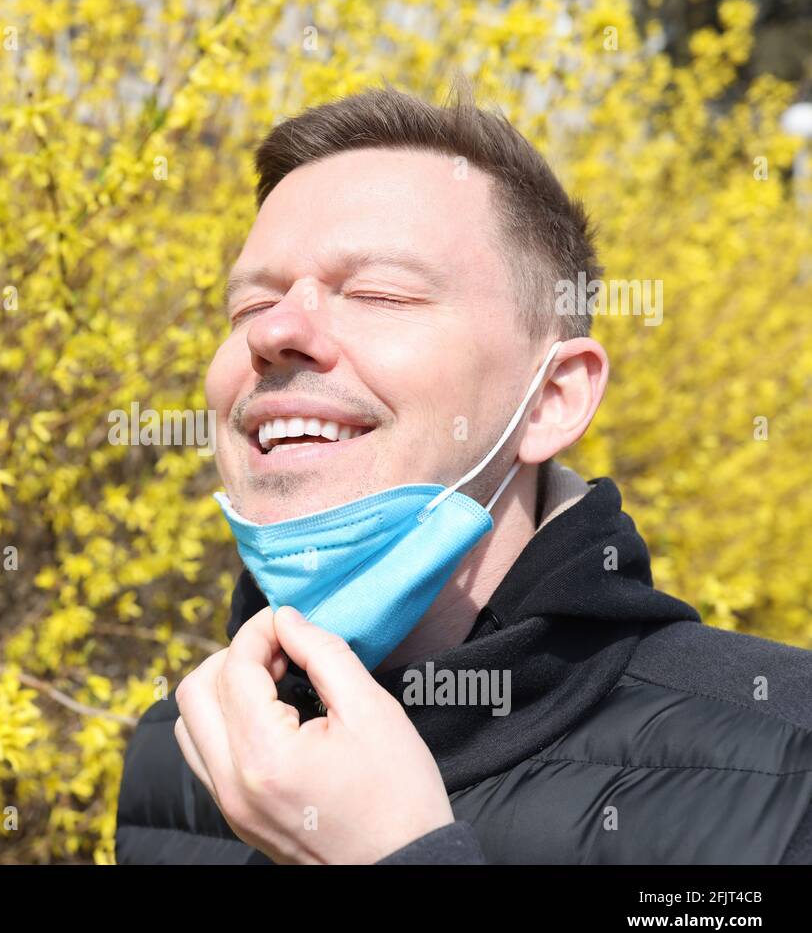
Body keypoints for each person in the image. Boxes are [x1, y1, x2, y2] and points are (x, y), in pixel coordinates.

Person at [114, 84, 812, 864]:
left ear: (550, 399)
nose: (276, 332)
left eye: (379, 292)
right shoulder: (186, 751)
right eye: (249, 305)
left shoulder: (785, 771)